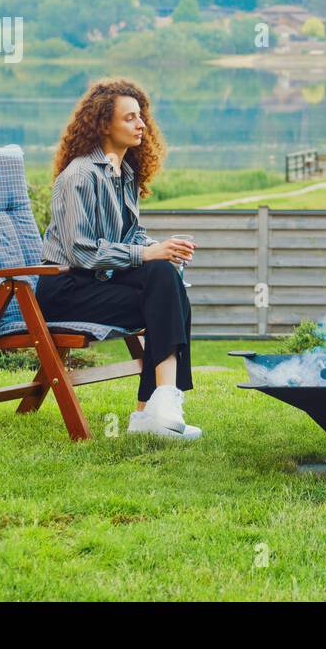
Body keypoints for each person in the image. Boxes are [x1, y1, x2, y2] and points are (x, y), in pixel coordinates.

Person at [35, 78, 201, 439]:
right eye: (130, 119)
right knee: (164, 288)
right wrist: (147, 253)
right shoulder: (77, 176)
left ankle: (154, 410)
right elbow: (82, 251)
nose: (141, 125)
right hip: (66, 289)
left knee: (164, 280)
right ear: (103, 125)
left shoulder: (124, 174)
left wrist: (161, 248)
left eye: (141, 117)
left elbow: (131, 237)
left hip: (99, 282)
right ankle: (158, 406)